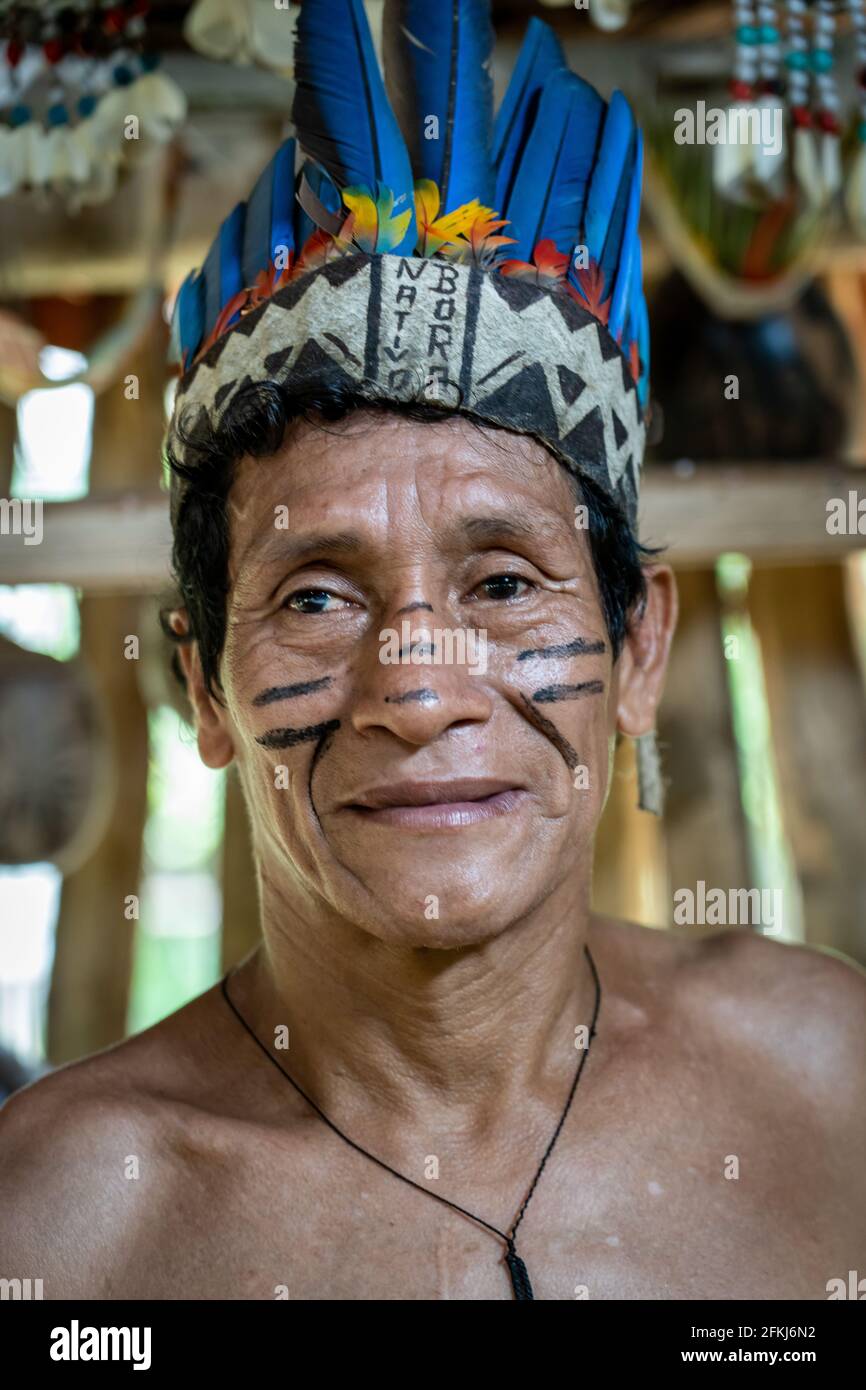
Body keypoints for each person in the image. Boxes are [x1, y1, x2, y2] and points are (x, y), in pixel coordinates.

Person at [1, 0, 863, 1301]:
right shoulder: (61, 1233)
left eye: (504, 580)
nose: (414, 684)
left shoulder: (831, 1085)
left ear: (637, 643)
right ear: (201, 686)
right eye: (314, 598)